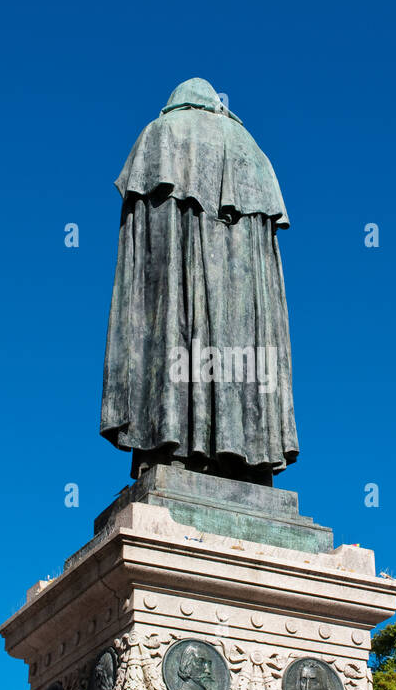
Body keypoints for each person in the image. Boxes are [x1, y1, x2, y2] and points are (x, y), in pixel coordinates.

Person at [101, 79, 298, 484]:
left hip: (179, 310)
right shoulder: (253, 153)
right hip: (244, 328)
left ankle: (172, 443)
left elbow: (142, 268)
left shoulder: (159, 135)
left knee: (173, 329)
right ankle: (247, 458)